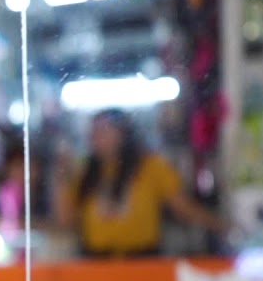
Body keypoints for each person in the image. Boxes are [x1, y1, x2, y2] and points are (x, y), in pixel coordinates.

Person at [55, 109, 227, 258]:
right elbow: (66, 220)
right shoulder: (86, 172)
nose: (95, 137)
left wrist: (223, 226)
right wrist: (62, 176)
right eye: (93, 131)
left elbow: (183, 208)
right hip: (96, 262)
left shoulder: (151, 166)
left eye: (103, 130)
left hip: (142, 261)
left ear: (123, 133)